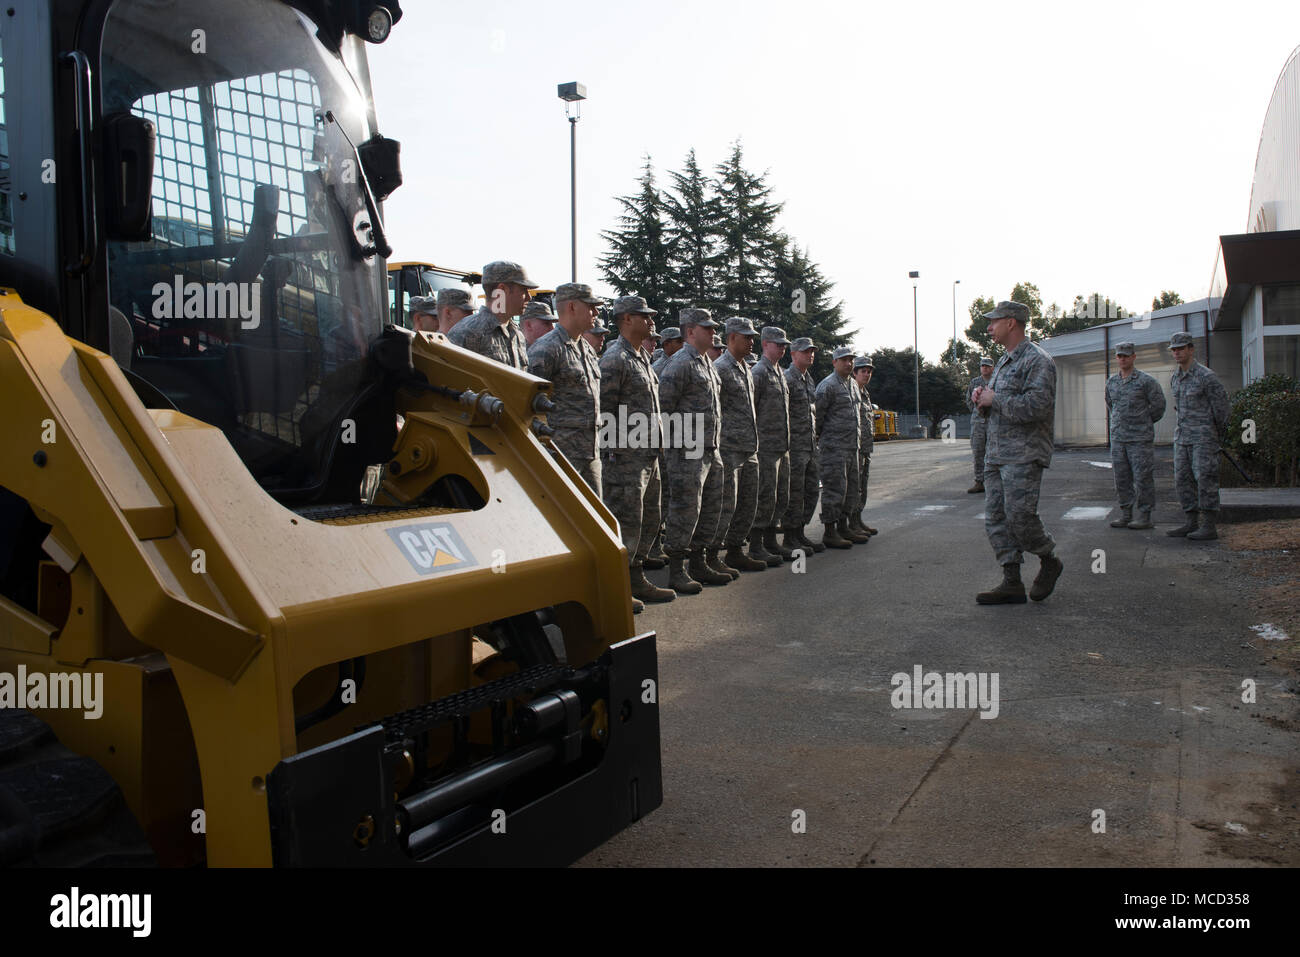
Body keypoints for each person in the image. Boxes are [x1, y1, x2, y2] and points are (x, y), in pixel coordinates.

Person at [973, 300, 1062, 604]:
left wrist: (994, 399)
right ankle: (1012, 581)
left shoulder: (1038, 361)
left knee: (1020, 518)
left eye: (994, 321)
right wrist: (982, 399)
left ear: (1011, 323)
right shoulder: (1003, 361)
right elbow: (997, 405)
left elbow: (1037, 408)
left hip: (1024, 455)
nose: (989, 327)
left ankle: (1049, 558)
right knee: (996, 518)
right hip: (997, 454)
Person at [599, 294, 676, 612]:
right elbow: (604, 409)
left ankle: (637, 576)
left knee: (649, 518)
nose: (651, 320)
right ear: (626, 319)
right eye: (644, 316)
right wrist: (614, 453)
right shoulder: (615, 358)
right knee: (627, 521)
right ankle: (618, 587)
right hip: (626, 458)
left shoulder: (640, 356)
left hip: (648, 455)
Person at [657, 307, 726, 594]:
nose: (712, 332)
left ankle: (698, 562)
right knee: (685, 509)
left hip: (710, 447)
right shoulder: (680, 364)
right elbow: (664, 410)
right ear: (690, 332)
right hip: (687, 450)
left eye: (713, 327)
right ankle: (676, 570)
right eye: (706, 328)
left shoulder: (706, 363)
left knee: (709, 508)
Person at [527, 282, 604, 497]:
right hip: (560, 455)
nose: (595, 312)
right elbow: (528, 404)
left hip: (590, 454)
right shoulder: (547, 348)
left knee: (596, 519)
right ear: (571, 307)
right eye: (590, 306)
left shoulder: (586, 348)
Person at [711, 317, 767, 575]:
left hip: (749, 447)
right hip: (729, 448)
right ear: (732, 337)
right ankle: (712, 555)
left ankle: (736, 551)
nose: (751, 341)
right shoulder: (719, 368)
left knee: (748, 503)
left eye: (753, 337)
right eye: (747, 337)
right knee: (726, 505)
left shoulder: (745, 368)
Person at [1166, 331, 1230, 541]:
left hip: (1203, 437)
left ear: (1191, 349)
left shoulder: (1206, 377)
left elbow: (1222, 409)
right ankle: (1190, 522)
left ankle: (1209, 525)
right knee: (1182, 480)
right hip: (1182, 437)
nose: (1177, 353)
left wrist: (1214, 434)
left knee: (1205, 478)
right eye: (1174, 349)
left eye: (1181, 348)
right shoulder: (1175, 377)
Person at [1104, 341, 1167, 530]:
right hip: (1119, 439)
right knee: (1121, 478)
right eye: (1119, 356)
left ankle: (1145, 515)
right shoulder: (1112, 382)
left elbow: (1158, 407)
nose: (1122, 359)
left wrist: (1142, 423)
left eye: (1126, 355)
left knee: (1143, 477)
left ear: (1133, 357)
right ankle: (1126, 513)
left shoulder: (1146, 382)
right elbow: (1111, 405)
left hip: (1139, 439)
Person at [752, 326, 796, 560]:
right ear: (765, 344)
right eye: (778, 344)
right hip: (765, 448)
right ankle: (757, 545)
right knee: (765, 497)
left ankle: (771, 541)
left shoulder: (779, 372)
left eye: (784, 345)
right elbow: (752, 410)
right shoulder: (758, 372)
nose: (783, 348)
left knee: (780, 496)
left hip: (782, 446)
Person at [815, 346, 864, 548]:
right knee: (834, 490)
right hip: (834, 449)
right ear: (834, 362)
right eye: (844, 359)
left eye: (851, 359)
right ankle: (830, 531)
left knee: (851, 490)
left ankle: (844, 527)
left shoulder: (852, 384)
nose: (848, 363)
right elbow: (818, 417)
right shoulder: (827, 386)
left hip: (852, 446)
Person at [446, 260, 534, 369]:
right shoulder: (467, 333)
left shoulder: (517, 334)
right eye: (524, 290)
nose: (529, 297)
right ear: (502, 290)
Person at [782, 337, 824, 553]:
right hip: (794, 447)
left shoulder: (808, 379)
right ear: (794, 354)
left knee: (810, 492)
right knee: (794, 493)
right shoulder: (787, 378)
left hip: (809, 445)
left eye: (812, 351)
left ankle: (800, 533)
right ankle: (790, 537)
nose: (810, 354)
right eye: (806, 351)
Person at [850, 355, 878, 537]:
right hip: (854, 448)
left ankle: (858, 519)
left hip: (865, 448)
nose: (866, 374)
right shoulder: (851, 391)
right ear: (854, 373)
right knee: (853, 487)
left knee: (862, 485)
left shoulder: (865, 393)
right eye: (863, 371)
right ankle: (851, 523)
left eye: (869, 371)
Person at [967, 356, 994, 493]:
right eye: (983, 366)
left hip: (993, 422)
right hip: (978, 423)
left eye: (988, 366)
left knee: (993, 452)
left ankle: (993, 482)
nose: (985, 368)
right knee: (978, 452)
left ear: (992, 368)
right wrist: (977, 412)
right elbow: (969, 401)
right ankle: (979, 481)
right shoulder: (975, 382)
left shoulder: (997, 381)